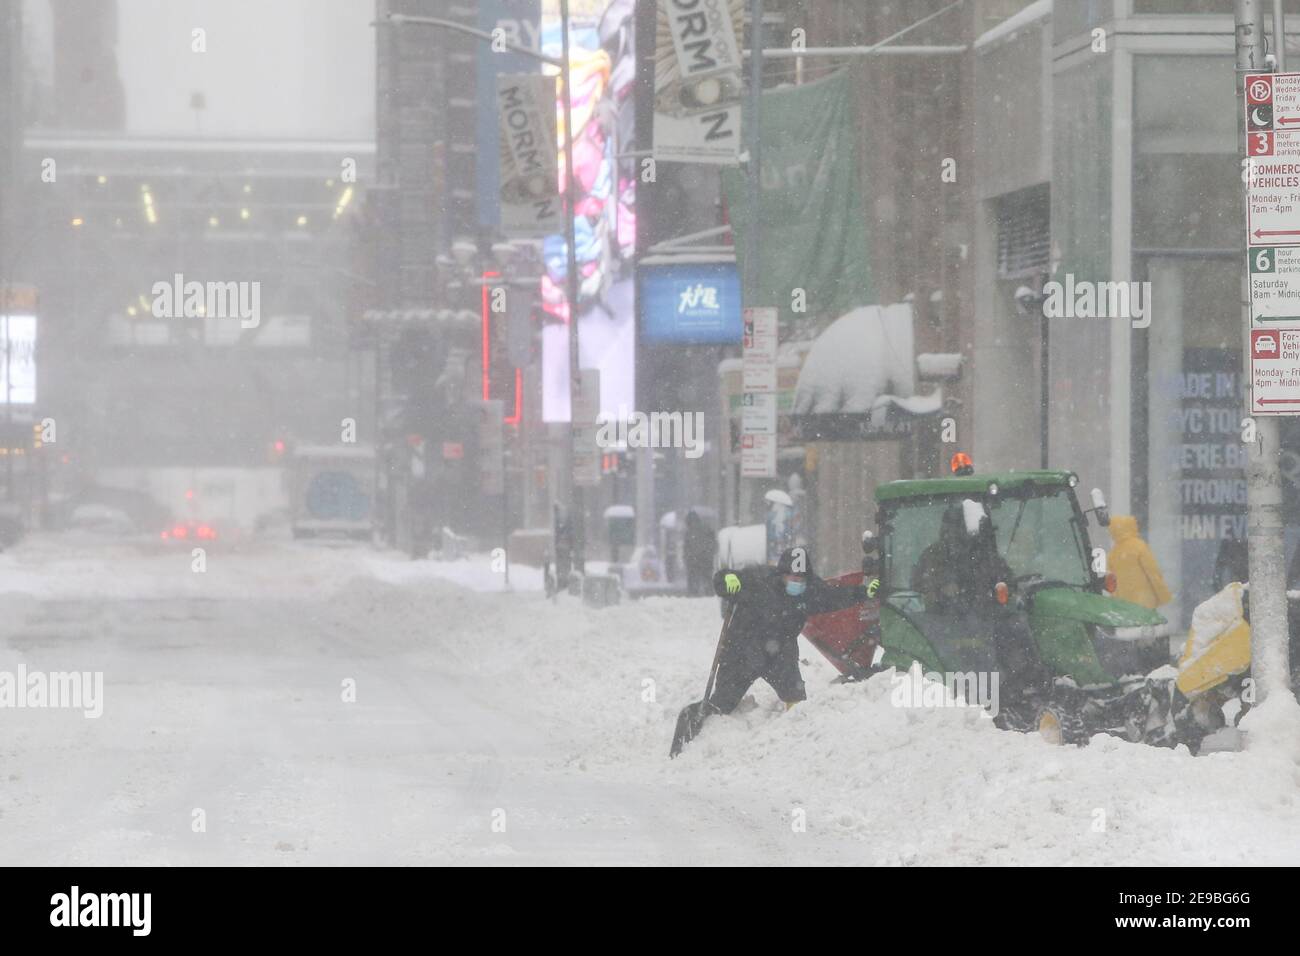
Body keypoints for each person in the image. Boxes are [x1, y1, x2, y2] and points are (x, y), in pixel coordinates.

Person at [708, 546, 870, 713]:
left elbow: (836, 596)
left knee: (797, 702)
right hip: (742, 652)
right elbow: (721, 579)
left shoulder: (811, 590)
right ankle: (711, 719)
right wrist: (727, 579)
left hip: (780, 652)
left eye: (801, 580)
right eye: (792, 578)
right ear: (781, 575)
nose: (796, 583)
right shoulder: (759, 580)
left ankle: (793, 726)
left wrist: (865, 592)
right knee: (722, 703)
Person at [1108, 515, 1172, 609]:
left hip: (1124, 605)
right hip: (1144, 602)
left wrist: (1115, 603)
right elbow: (1153, 574)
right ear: (1132, 526)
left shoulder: (1113, 553)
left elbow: (1112, 582)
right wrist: (1164, 597)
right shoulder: (1139, 546)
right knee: (1146, 624)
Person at [683, 510, 717, 596]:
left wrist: (686, 557)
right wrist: (710, 553)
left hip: (693, 560)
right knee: (707, 578)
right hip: (706, 558)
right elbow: (713, 542)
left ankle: (693, 594)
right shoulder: (707, 528)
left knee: (693, 579)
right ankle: (709, 593)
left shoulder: (689, 531)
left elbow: (686, 547)